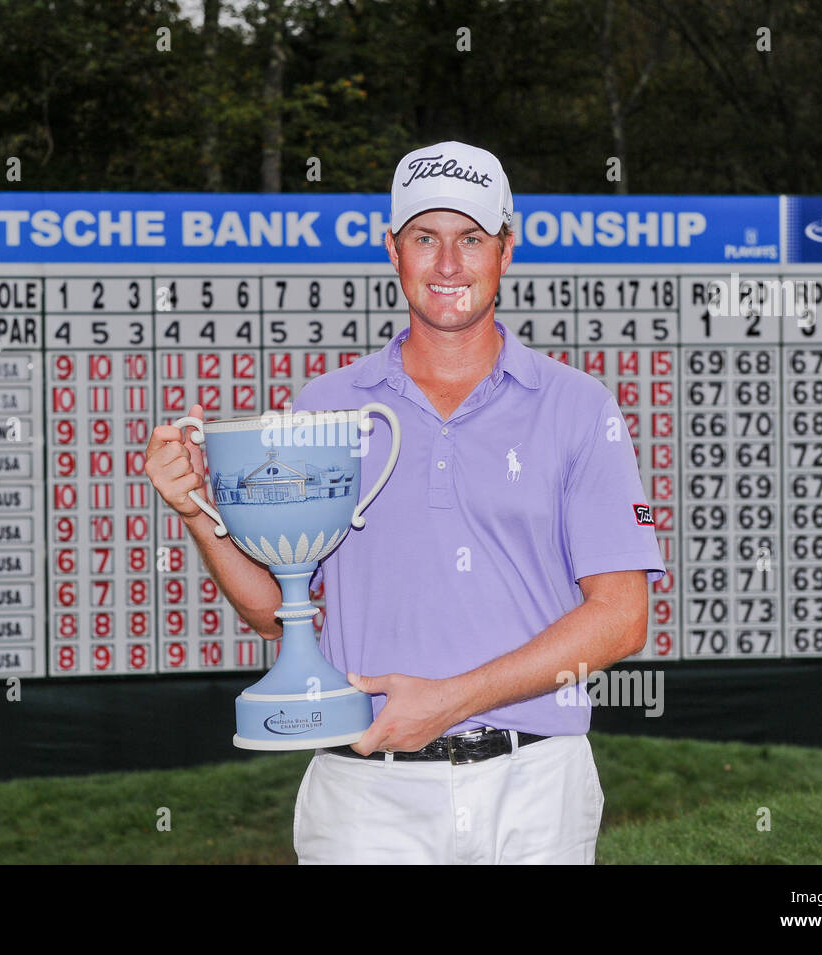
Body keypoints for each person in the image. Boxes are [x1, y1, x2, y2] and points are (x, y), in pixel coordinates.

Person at [144, 141, 666, 864]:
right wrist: (198, 509)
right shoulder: (326, 408)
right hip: (365, 793)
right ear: (393, 250)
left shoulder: (579, 407)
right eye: (425, 238)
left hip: (536, 784)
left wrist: (452, 698)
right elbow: (278, 610)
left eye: (470, 239)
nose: (448, 264)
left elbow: (622, 617)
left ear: (505, 251)